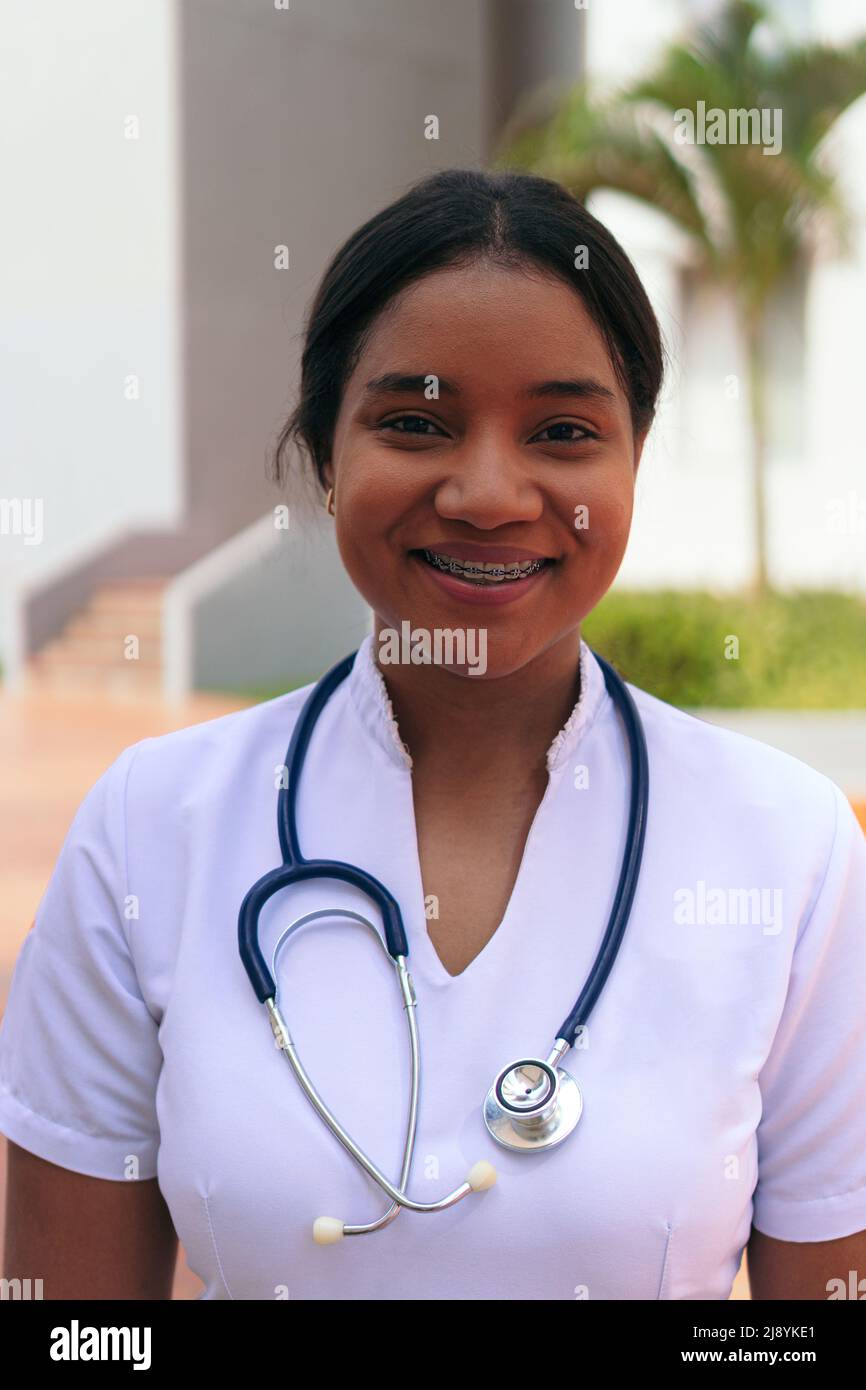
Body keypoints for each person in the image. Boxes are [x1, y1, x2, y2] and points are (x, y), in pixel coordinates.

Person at [2, 168, 865, 1301]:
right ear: (324, 451)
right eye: (415, 422)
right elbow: (75, 1332)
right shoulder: (151, 825)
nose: (489, 491)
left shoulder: (788, 850)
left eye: (561, 429)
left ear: (631, 458)